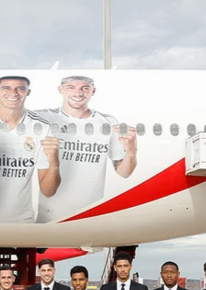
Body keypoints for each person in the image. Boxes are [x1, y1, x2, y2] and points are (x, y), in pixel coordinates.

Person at [37, 75, 137, 223]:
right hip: (48, 213)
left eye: (85, 88)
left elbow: (124, 173)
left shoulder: (108, 122)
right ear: (60, 90)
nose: (78, 93)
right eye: (71, 87)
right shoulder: (41, 117)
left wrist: (131, 151)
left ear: (93, 91)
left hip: (90, 212)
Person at [0, 76, 61, 223]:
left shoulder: (41, 127)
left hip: (21, 221)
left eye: (20, 88)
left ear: (28, 92)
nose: (14, 93)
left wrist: (55, 163)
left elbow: (48, 191)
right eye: (6, 88)